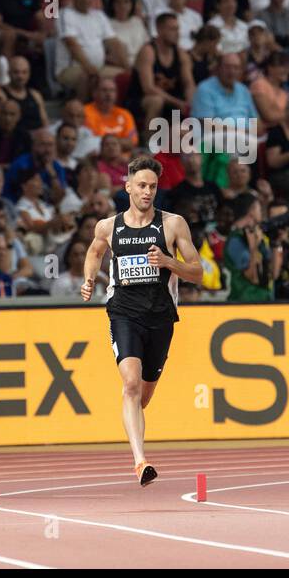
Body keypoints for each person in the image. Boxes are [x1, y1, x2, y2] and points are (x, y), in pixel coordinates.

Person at [80, 156, 204, 485]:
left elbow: (198, 272)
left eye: (152, 186)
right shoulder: (108, 226)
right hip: (123, 312)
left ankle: (135, 427)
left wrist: (167, 261)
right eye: (141, 186)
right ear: (128, 187)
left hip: (161, 316)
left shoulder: (173, 224)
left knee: (143, 395)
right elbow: (93, 253)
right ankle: (140, 462)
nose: (147, 192)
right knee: (131, 385)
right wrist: (89, 280)